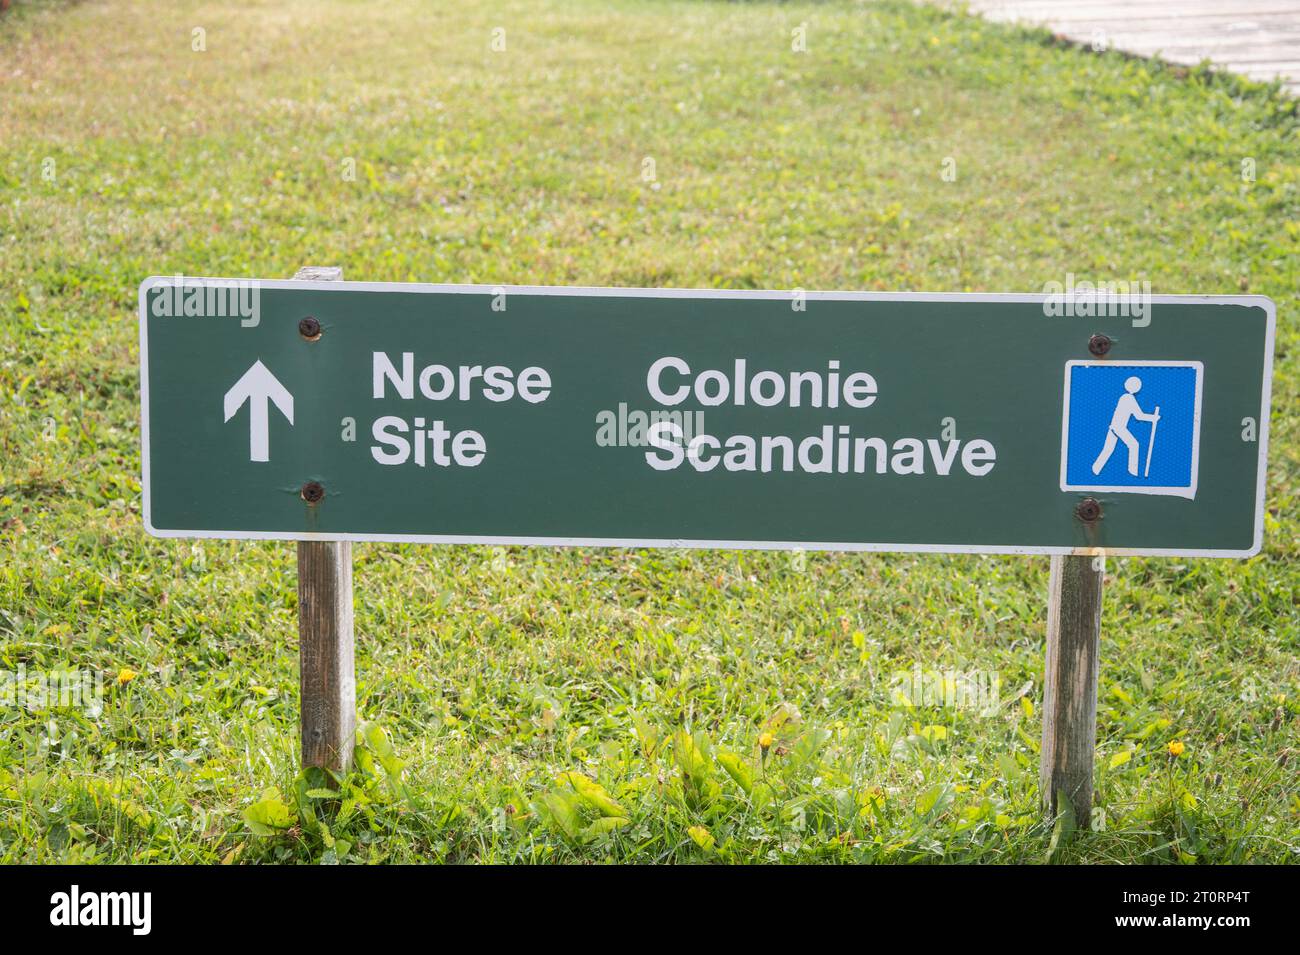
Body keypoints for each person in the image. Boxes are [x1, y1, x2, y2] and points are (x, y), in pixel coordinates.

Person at [1091, 376, 1160, 477]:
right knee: (1134, 445)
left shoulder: (1124, 397)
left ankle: (1095, 469)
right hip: (1119, 427)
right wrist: (1153, 418)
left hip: (1114, 427)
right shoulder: (1129, 398)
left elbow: (1137, 415)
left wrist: (1153, 418)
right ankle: (1133, 472)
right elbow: (1139, 416)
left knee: (1108, 449)